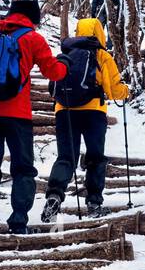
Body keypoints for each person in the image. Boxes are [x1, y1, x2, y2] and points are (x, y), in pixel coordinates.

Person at [0, 0, 67, 234]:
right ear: (33, 18)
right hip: (16, 113)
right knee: (23, 168)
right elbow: (53, 72)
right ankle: (18, 221)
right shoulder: (33, 38)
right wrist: (65, 64)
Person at [42, 17, 130, 222]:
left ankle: (54, 194)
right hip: (93, 113)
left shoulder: (66, 54)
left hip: (65, 112)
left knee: (66, 157)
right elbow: (115, 90)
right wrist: (126, 91)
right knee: (95, 157)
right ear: (99, 32)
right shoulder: (102, 56)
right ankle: (94, 202)